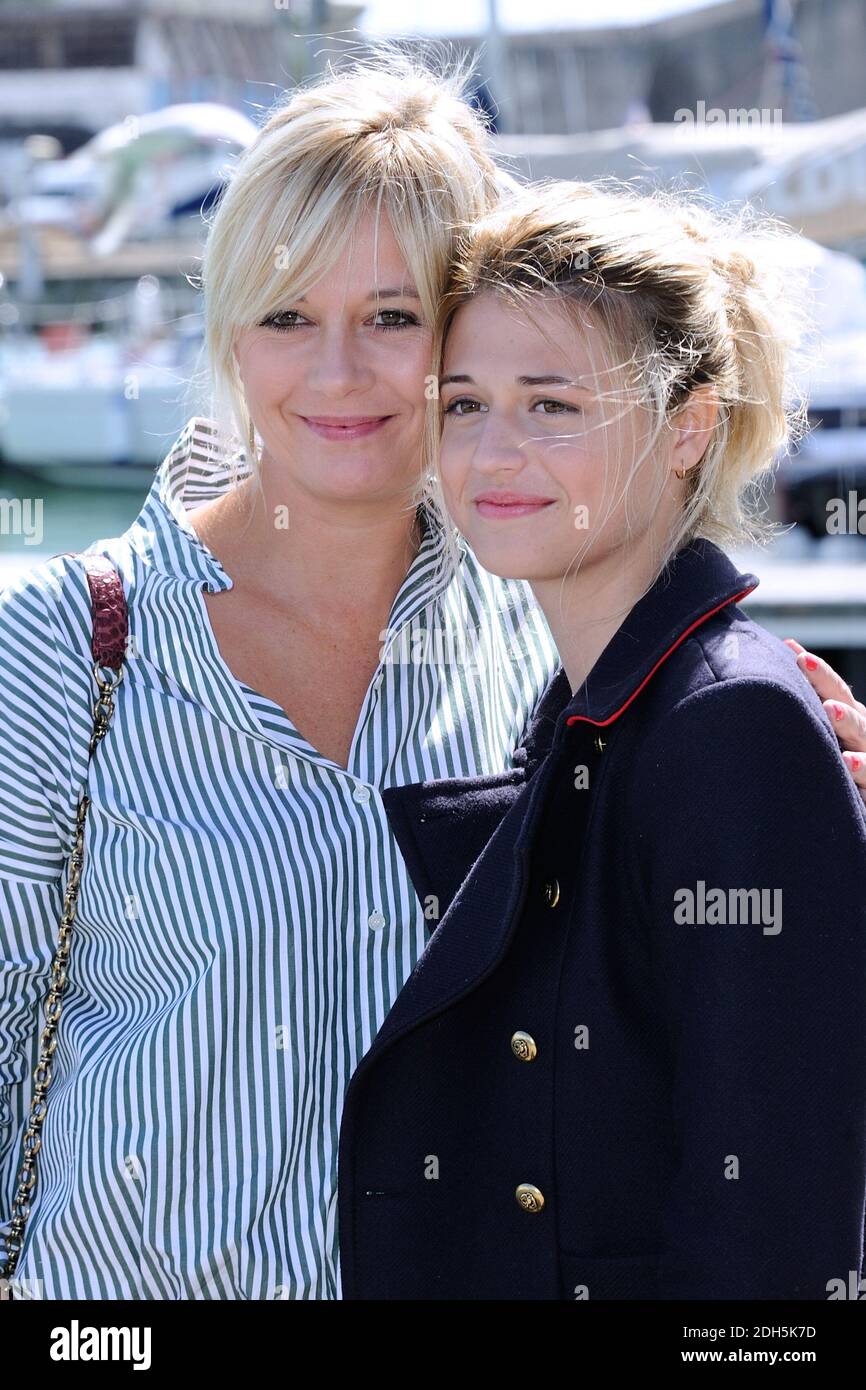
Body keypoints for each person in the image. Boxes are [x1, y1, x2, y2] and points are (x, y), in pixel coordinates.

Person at [337, 180, 866, 1300]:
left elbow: (769, 1227)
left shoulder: (730, 725)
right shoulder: (592, 713)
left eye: (551, 405)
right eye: (464, 403)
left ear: (688, 429)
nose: (490, 454)